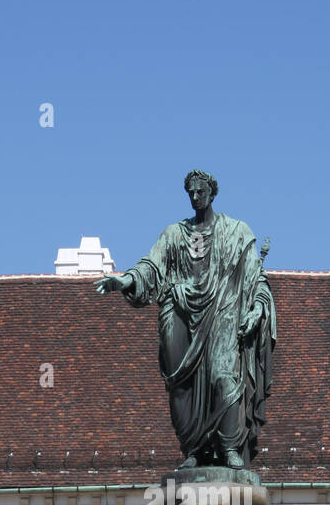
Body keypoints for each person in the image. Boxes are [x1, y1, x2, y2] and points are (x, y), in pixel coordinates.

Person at [95, 170, 275, 470]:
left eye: (200, 191)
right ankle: (194, 448)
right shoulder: (174, 235)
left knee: (223, 377)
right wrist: (125, 281)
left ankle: (229, 447)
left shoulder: (236, 232)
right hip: (181, 313)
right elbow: (151, 266)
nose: (195, 197)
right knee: (181, 386)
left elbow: (257, 277)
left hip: (223, 315)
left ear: (212, 193)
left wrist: (257, 308)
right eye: (190, 192)